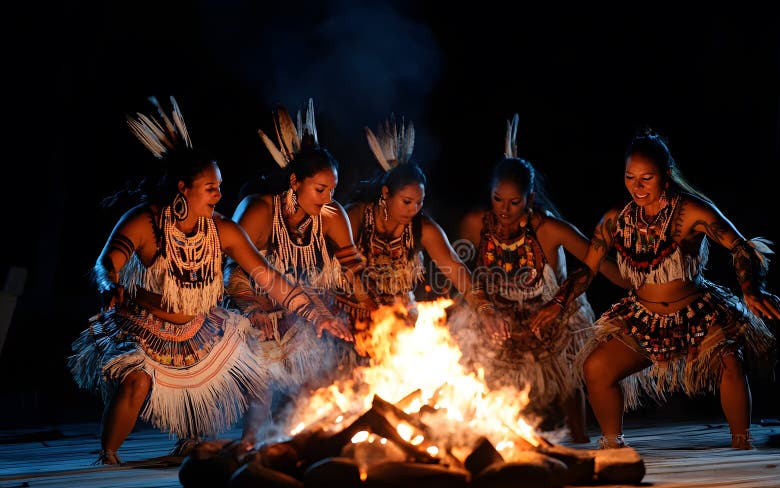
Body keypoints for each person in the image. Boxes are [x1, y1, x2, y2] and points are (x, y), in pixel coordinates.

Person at [68, 96, 352, 465]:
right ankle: (108, 460)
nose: (220, 195)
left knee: (256, 374)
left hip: (201, 333)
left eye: (220, 186)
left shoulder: (223, 230)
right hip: (144, 329)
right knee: (137, 381)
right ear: (183, 188)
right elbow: (108, 261)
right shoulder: (146, 222)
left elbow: (272, 280)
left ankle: (242, 447)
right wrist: (110, 284)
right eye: (211, 188)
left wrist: (318, 316)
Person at [529, 128, 780, 450]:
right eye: (629, 178)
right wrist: (557, 302)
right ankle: (613, 445)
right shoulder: (615, 220)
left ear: (665, 175)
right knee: (596, 368)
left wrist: (751, 290)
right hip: (642, 317)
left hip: (697, 312)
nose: (637, 187)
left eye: (646, 178)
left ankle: (741, 443)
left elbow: (741, 248)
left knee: (729, 360)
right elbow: (587, 270)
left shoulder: (693, 211)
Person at [454, 114, 630, 443]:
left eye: (514, 202)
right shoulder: (473, 224)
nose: (504, 210)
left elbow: (600, 266)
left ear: (529, 199)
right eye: (497, 199)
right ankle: (493, 438)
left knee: (567, 374)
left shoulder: (549, 229)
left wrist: (648, 278)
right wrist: (484, 311)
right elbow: (460, 276)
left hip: (553, 314)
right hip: (500, 313)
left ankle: (580, 437)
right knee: (470, 339)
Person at [225, 99, 373, 446]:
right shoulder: (259, 209)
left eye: (332, 190)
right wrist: (254, 308)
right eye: (320, 190)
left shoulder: (330, 216)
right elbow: (234, 272)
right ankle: (249, 442)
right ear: (295, 181)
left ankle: (295, 439)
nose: (327, 199)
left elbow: (353, 268)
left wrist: (369, 307)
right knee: (261, 370)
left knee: (317, 366)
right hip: (247, 308)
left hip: (300, 312)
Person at [339, 114, 509, 340]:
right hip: (346, 324)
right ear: (386, 194)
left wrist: (486, 309)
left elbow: (458, 271)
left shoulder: (424, 229)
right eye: (407, 202)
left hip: (396, 328)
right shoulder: (356, 217)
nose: (414, 209)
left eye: (420, 202)